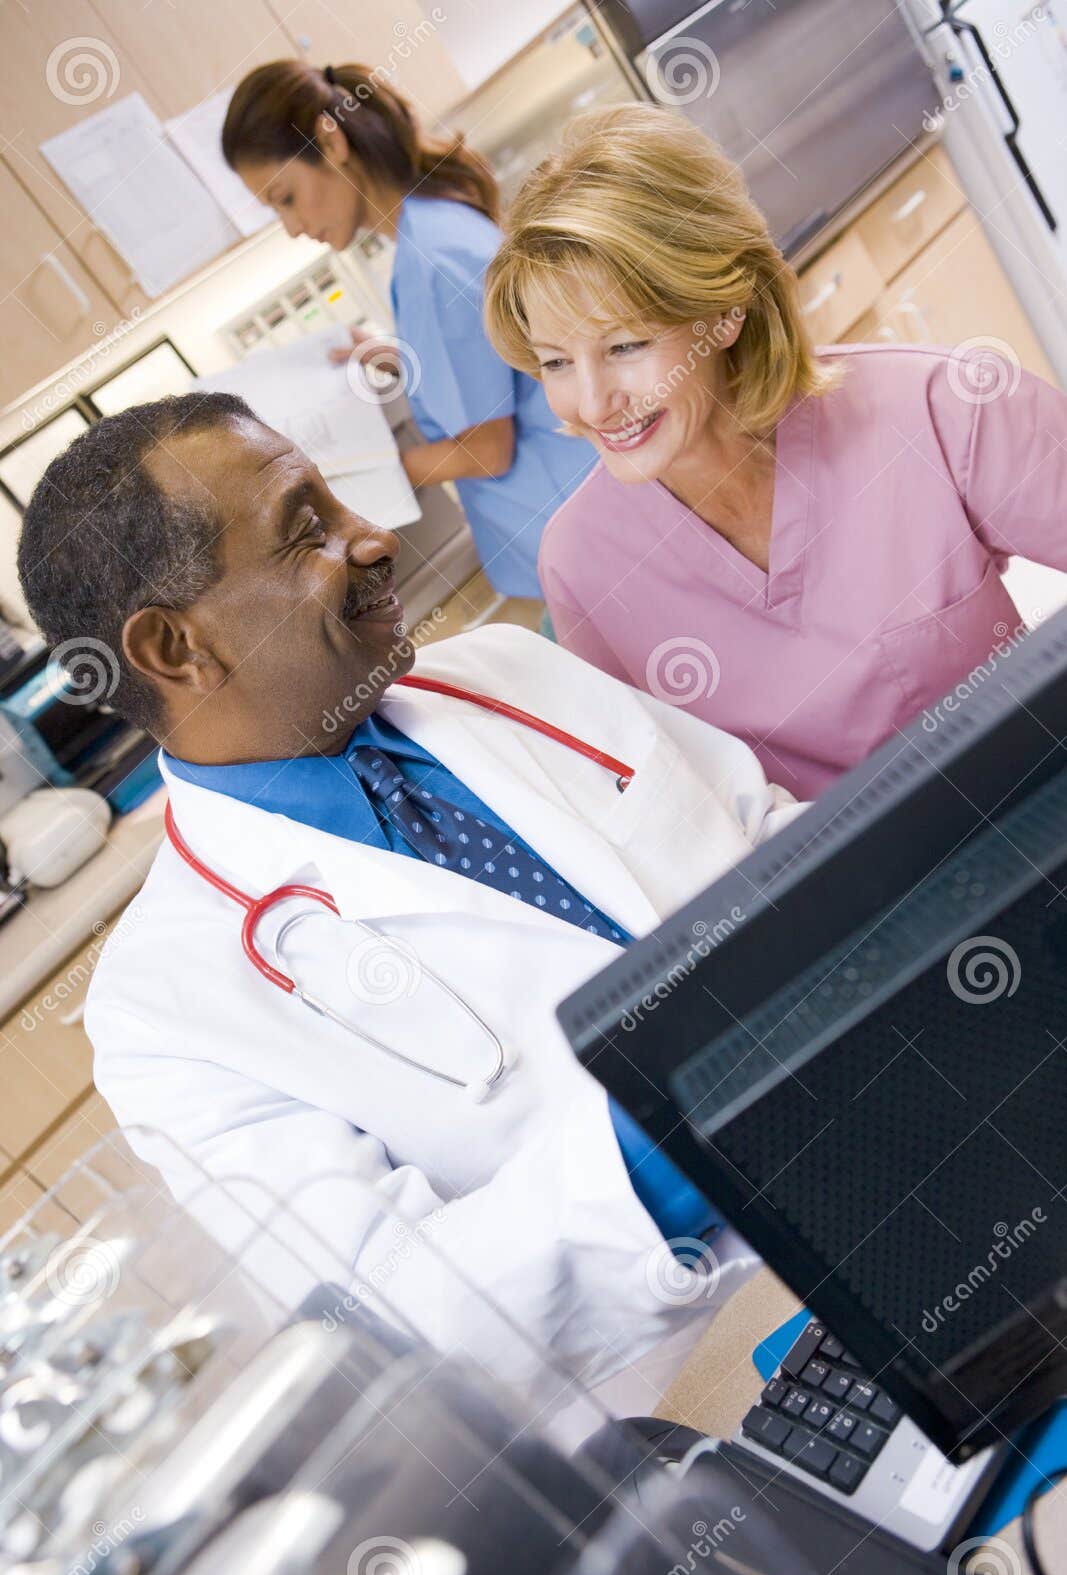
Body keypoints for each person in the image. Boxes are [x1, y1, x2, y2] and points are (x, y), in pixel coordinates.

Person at [16, 395, 802, 1397]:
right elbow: (405, 1311)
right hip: (731, 1346)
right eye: (305, 529)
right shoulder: (162, 1014)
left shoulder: (504, 668)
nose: (375, 537)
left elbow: (760, 823)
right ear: (176, 648)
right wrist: (695, 1116)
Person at [483, 103, 1067, 799]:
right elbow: (666, 812)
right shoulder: (582, 565)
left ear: (723, 310)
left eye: (625, 347)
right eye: (554, 362)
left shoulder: (942, 405)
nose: (591, 402)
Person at [221, 61, 597, 604]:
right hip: (581, 520)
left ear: (331, 142)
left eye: (287, 198)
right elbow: (500, 357)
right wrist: (407, 359)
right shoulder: (436, 222)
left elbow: (488, 449)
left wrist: (348, 482)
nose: (293, 227)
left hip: (578, 537)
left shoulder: (429, 264)